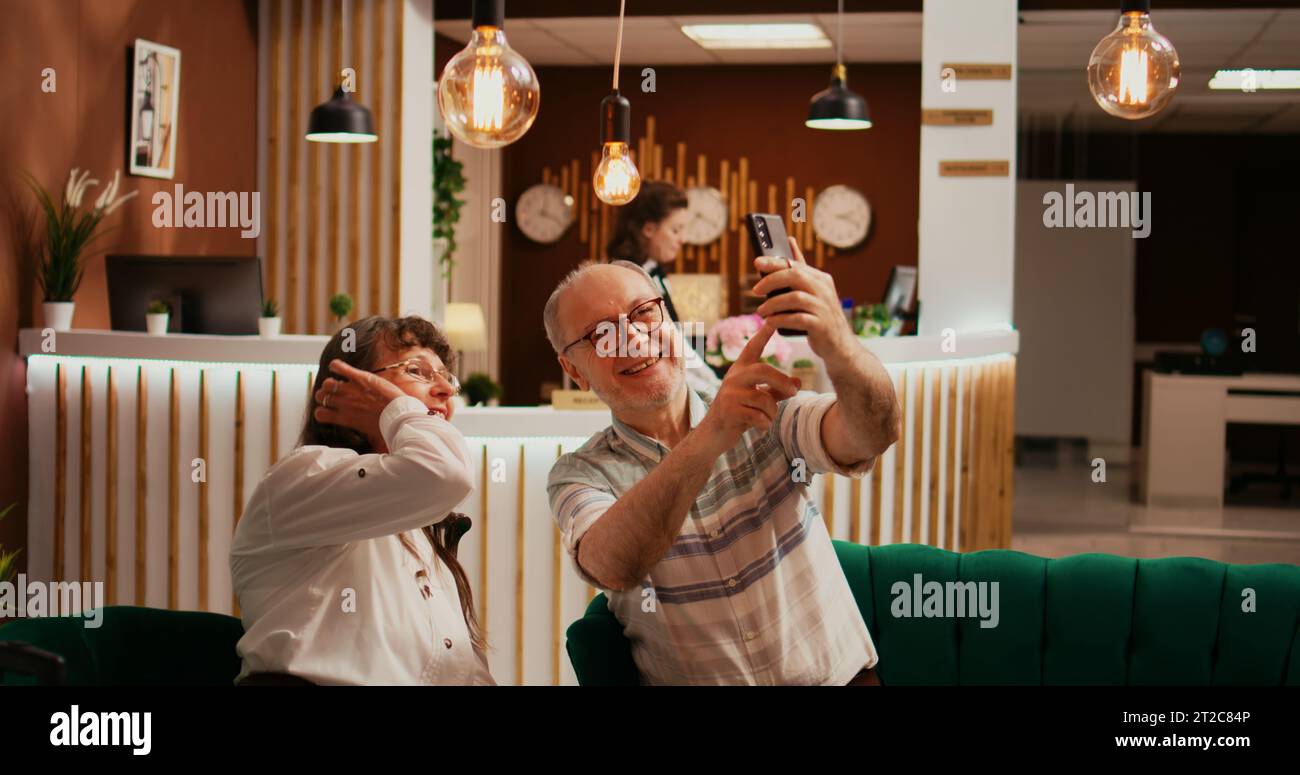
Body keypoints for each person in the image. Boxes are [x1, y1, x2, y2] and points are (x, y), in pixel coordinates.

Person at [542, 238, 901, 685]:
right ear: (574, 370)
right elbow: (614, 566)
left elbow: (874, 433)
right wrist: (711, 434)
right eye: (600, 333)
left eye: (643, 313)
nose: (632, 338)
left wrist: (839, 346)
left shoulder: (761, 410)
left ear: (667, 317)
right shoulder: (578, 474)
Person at [230, 315, 493, 685]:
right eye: (417, 371)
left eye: (446, 377)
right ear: (350, 386)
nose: (446, 390)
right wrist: (393, 410)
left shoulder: (419, 528)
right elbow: (447, 473)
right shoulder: (301, 477)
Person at [605, 181, 720, 393]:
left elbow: (677, 339)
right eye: (676, 230)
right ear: (649, 229)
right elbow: (663, 350)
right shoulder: (627, 280)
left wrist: (715, 384)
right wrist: (714, 389)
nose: (683, 239)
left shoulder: (655, 271)